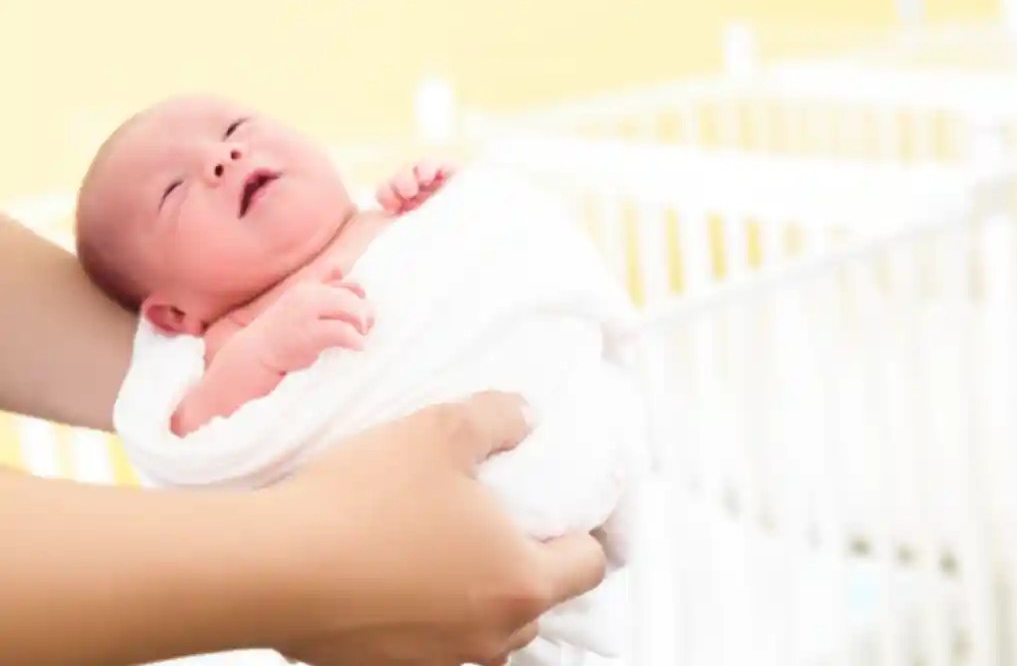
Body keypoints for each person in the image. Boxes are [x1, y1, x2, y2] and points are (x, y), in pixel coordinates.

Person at [0, 208, 608, 664]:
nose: (222, 157)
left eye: (236, 129)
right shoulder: (216, 346)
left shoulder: (360, 237)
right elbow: (189, 426)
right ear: (171, 316)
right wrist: (320, 556)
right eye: (175, 192)